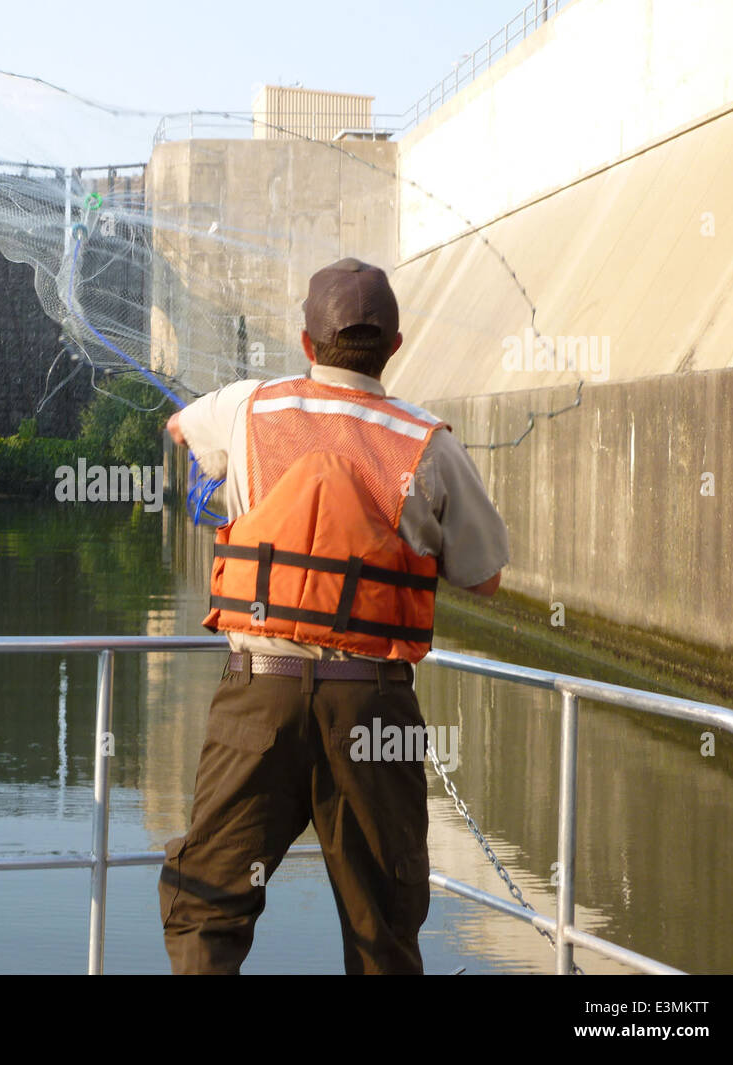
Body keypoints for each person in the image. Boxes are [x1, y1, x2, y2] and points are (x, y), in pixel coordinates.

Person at [159, 257, 509, 974]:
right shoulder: (428, 443)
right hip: (373, 705)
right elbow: (487, 577)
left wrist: (219, 457)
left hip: (260, 693)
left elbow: (177, 429)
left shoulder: (248, 406)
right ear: (395, 347)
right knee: (383, 920)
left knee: (209, 906)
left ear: (307, 344)